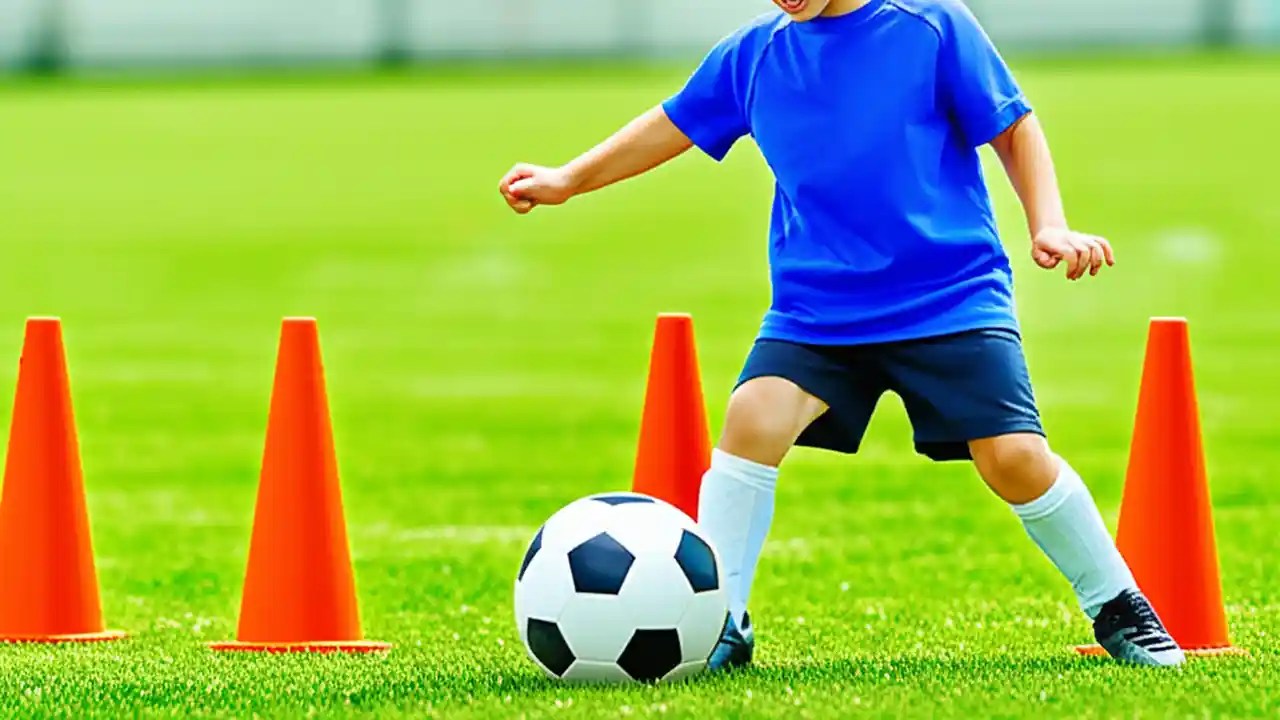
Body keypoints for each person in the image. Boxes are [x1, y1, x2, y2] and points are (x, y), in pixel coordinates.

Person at [498, 0, 1185, 670]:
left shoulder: (933, 25)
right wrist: (567, 180)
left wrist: (1049, 224)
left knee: (1011, 457)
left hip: (949, 294)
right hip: (819, 306)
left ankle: (1118, 605)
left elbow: (1014, 128)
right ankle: (722, 623)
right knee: (754, 415)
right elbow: (669, 124)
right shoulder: (754, 55)